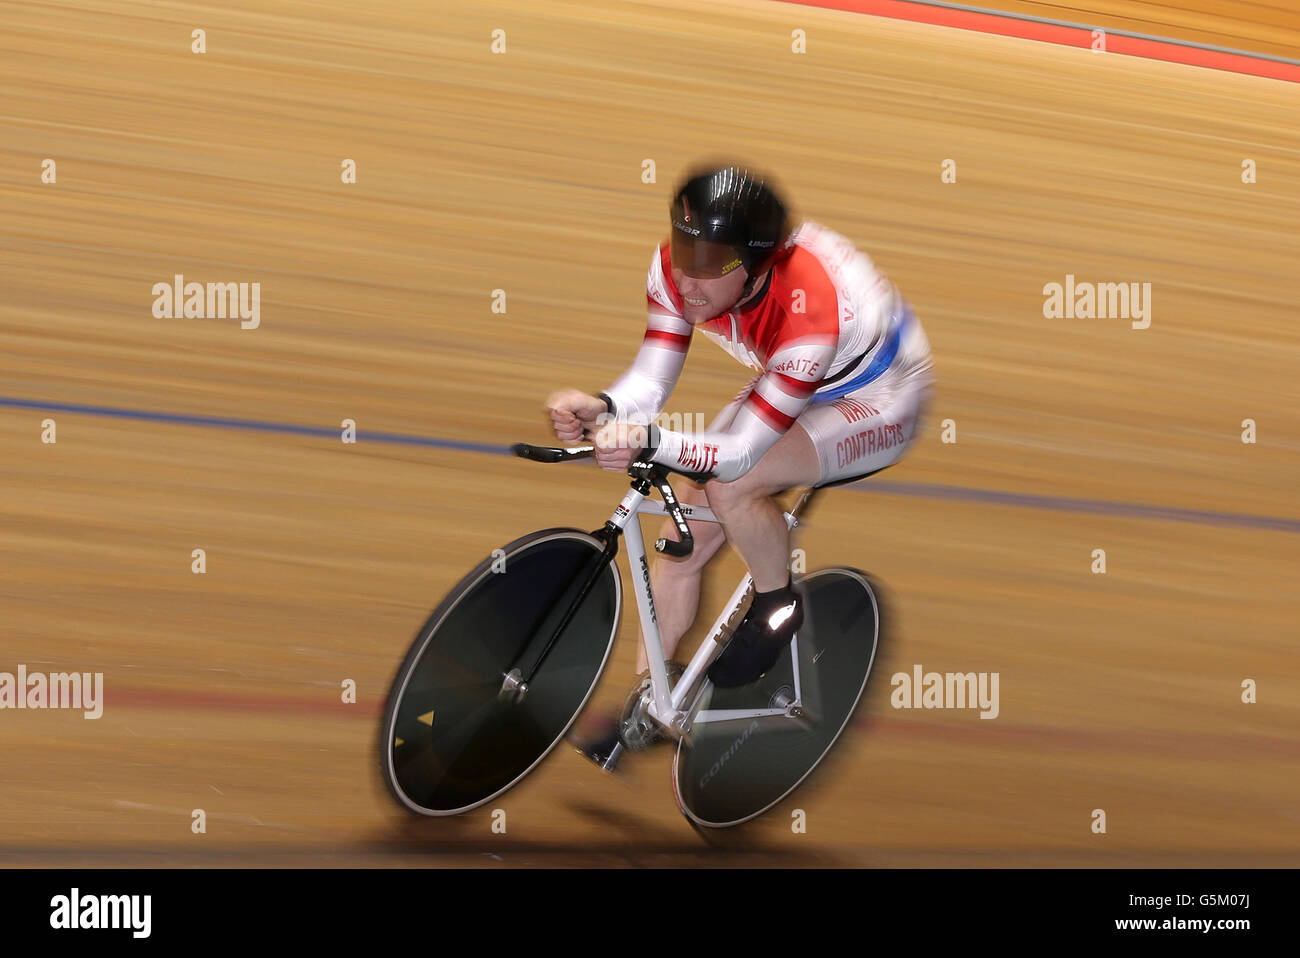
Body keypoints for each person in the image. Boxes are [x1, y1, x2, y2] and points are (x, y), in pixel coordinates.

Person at [546, 164, 932, 767]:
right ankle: (651, 705)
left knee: (735, 486)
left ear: (757, 269)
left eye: (711, 263)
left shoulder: (809, 315)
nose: (688, 278)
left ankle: (777, 603)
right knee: (683, 536)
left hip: (880, 398)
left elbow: (738, 456)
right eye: (683, 250)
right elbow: (651, 378)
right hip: (798, 379)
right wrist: (606, 406)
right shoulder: (681, 273)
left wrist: (648, 440)